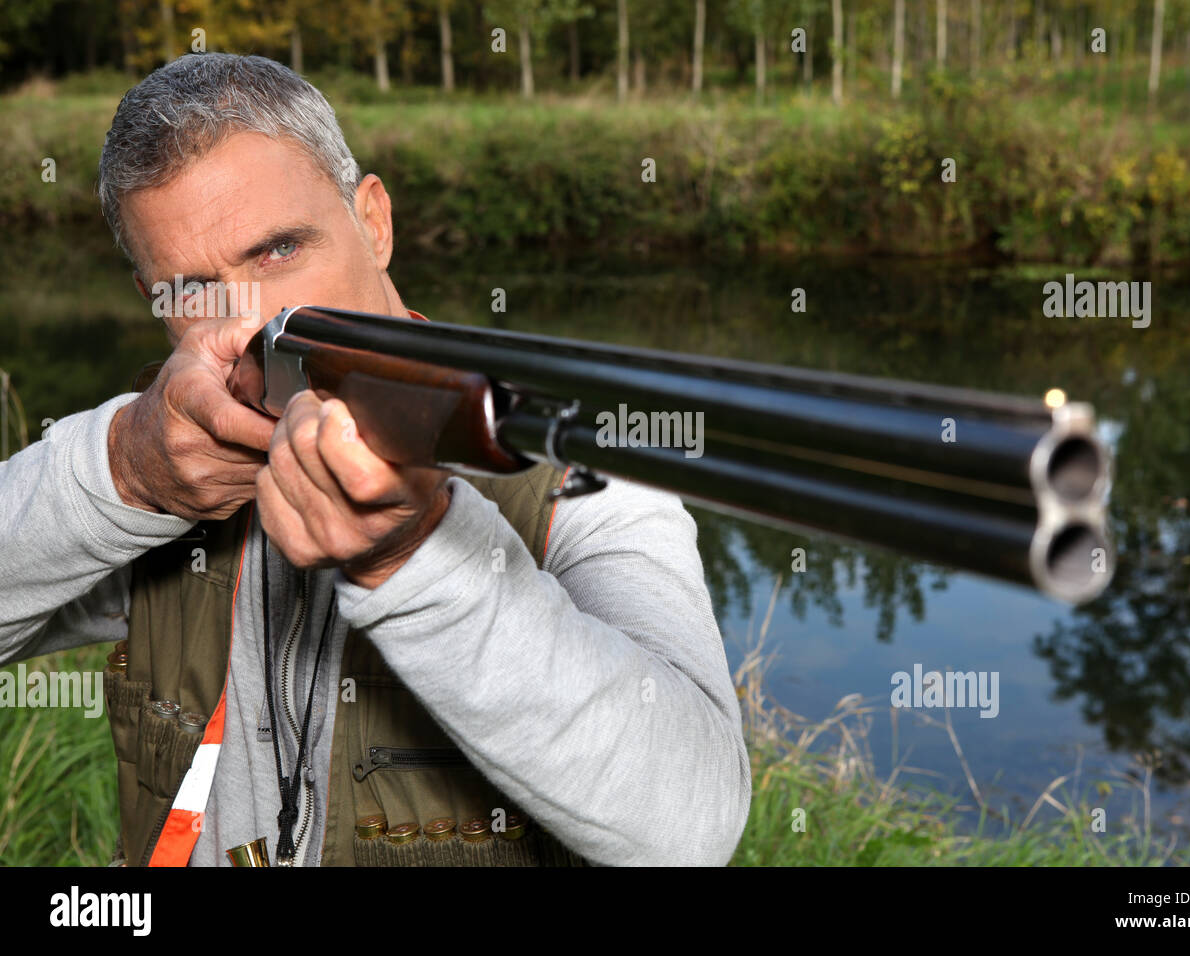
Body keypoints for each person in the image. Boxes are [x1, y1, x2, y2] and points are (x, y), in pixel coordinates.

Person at [0, 53, 750, 866]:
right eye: (191, 292)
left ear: (375, 222)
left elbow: (692, 826)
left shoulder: (573, 468)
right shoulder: (175, 458)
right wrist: (121, 473)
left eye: (279, 250)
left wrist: (418, 556)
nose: (250, 319)